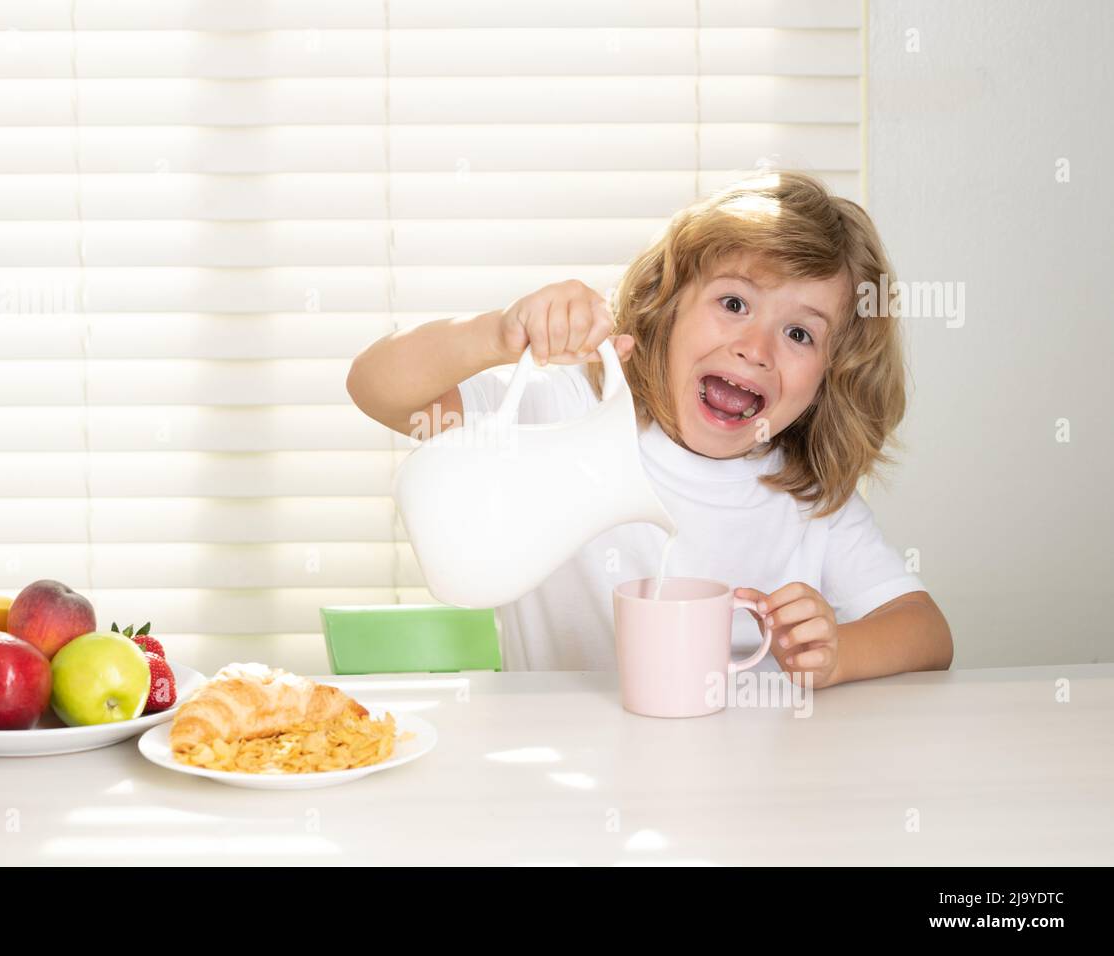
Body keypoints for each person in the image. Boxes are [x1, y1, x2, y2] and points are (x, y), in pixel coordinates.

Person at [347, 171, 953, 687]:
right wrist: (495, 335)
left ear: (829, 377)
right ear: (666, 306)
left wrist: (840, 653)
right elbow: (376, 387)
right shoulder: (568, 412)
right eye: (734, 304)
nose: (755, 348)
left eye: (800, 334)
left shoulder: (806, 497)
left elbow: (928, 633)